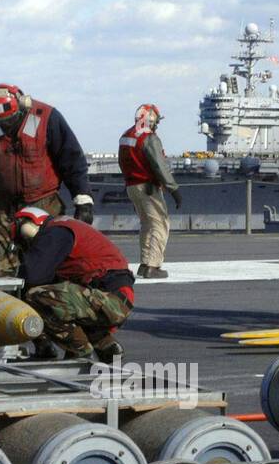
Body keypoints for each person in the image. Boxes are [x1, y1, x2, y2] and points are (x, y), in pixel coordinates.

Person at [0, 84, 94, 277]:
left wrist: (83, 200)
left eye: (8, 121)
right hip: (2, 209)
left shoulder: (47, 117)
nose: (3, 126)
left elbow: (72, 160)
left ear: (22, 107)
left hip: (43, 205)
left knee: (47, 267)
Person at [12, 206, 134, 362]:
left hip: (109, 299)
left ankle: (79, 350)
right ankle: (105, 345)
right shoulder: (64, 227)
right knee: (61, 297)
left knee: (36, 296)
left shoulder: (55, 232)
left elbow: (32, 276)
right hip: (115, 299)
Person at [119, 103, 180, 279]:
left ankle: (145, 264)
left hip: (132, 186)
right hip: (148, 187)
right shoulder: (149, 138)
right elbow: (159, 166)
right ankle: (153, 266)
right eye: (156, 121)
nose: (156, 125)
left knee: (147, 224)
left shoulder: (126, 135)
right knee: (160, 224)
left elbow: (123, 162)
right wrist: (173, 189)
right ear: (151, 119)